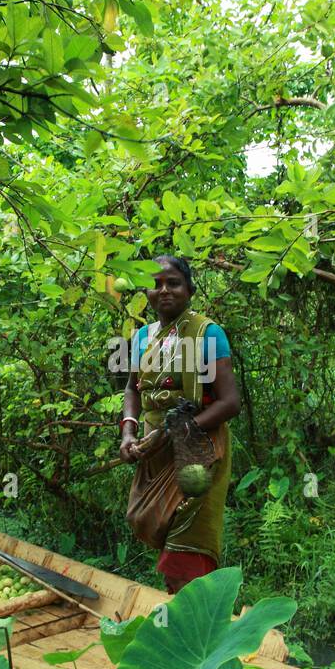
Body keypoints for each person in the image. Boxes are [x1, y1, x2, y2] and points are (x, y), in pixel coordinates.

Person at [119, 255, 241, 594]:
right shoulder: (142, 337)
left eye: (173, 283)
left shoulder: (207, 334)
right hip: (155, 452)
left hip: (198, 452)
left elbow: (230, 402)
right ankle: (183, 620)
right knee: (165, 532)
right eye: (155, 285)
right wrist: (129, 432)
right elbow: (132, 389)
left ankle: (197, 625)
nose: (164, 291)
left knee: (188, 548)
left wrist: (180, 431)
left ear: (189, 289)